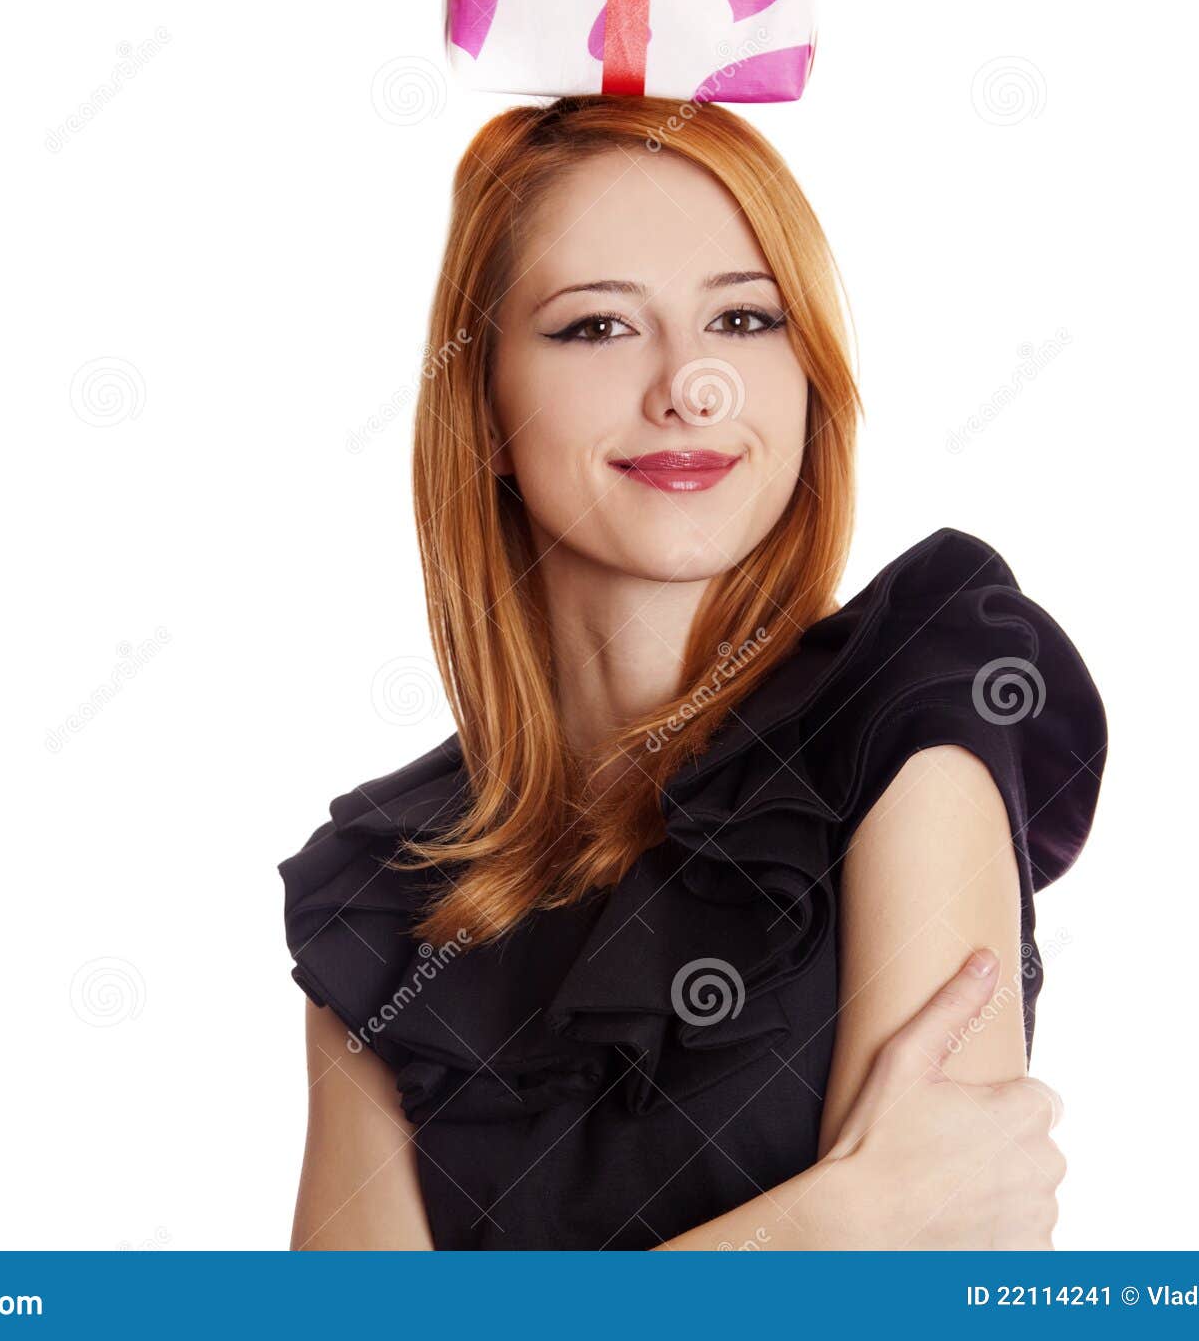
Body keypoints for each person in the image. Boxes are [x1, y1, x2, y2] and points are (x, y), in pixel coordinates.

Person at [278, 95, 1107, 1250]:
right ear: (486, 403)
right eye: (597, 328)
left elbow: (933, 1301)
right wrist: (820, 1231)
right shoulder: (383, 894)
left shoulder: (902, 722)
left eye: (747, 317)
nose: (688, 385)